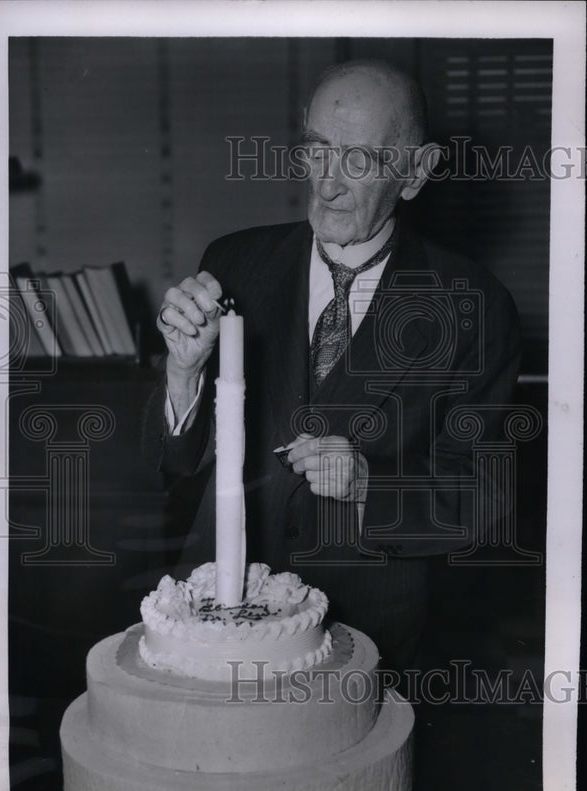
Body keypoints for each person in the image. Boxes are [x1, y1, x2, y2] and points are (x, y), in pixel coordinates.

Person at [144, 59, 521, 675]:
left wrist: (368, 484)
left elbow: (486, 497)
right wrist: (184, 373)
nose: (327, 185)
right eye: (318, 150)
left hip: (372, 632)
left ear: (416, 173)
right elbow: (178, 464)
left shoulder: (475, 306)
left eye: (363, 160)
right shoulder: (233, 262)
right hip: (219, 616)